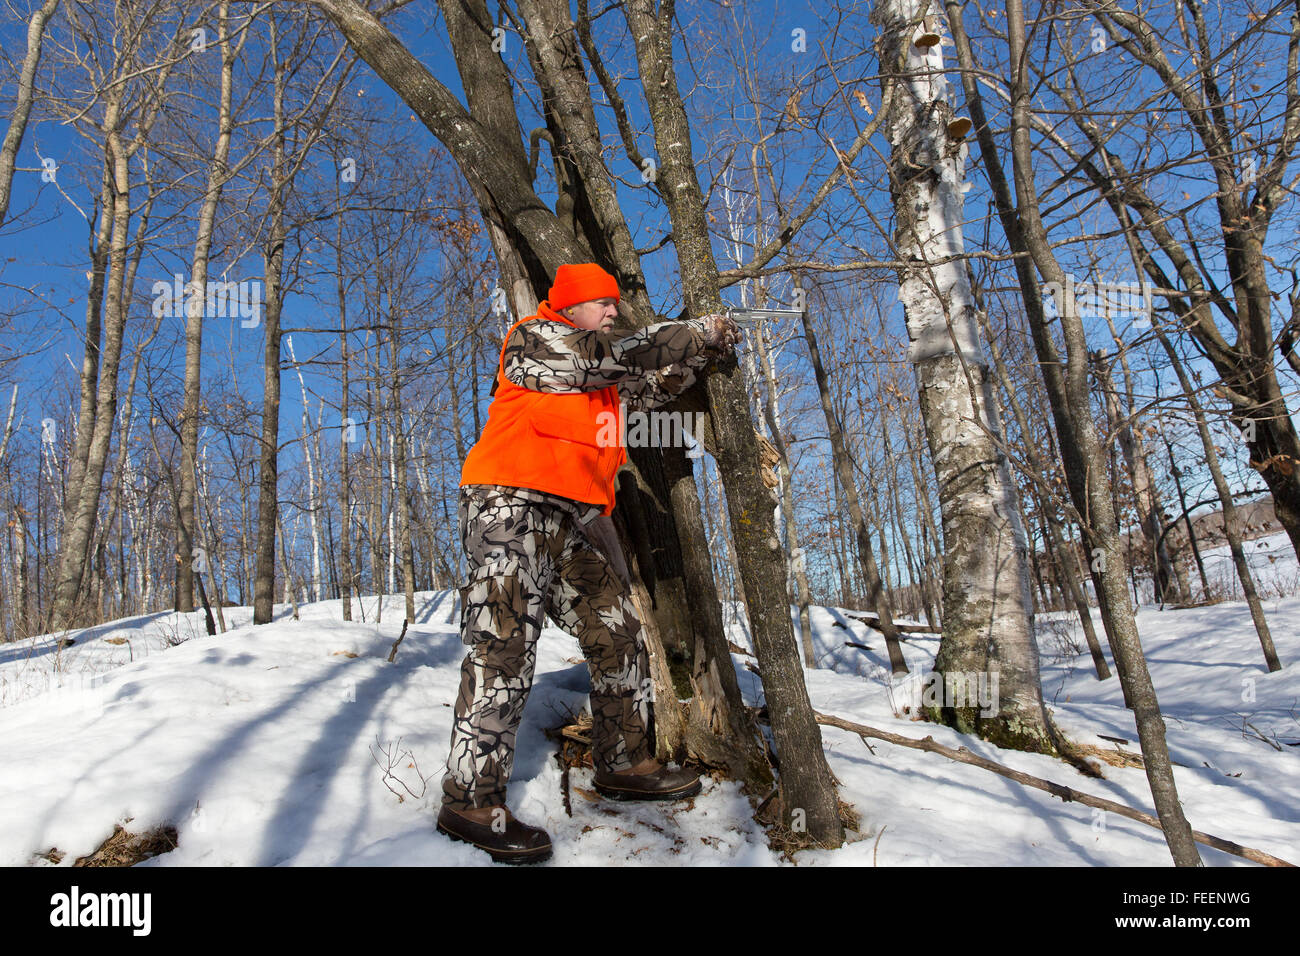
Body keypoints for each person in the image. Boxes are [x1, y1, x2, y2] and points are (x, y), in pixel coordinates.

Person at [436, 262, 742, 864]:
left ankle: (623, 763)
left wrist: (705, 353)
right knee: (503, 647)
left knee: (620, 631)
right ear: (573, 306)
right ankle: (470, 801)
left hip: (573, 523)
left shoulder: (605, 379)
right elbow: (622, 350)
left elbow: (655, 381)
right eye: (604, 303)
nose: (613, 311)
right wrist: (693, 331)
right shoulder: (533, 339)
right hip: (510, 510)